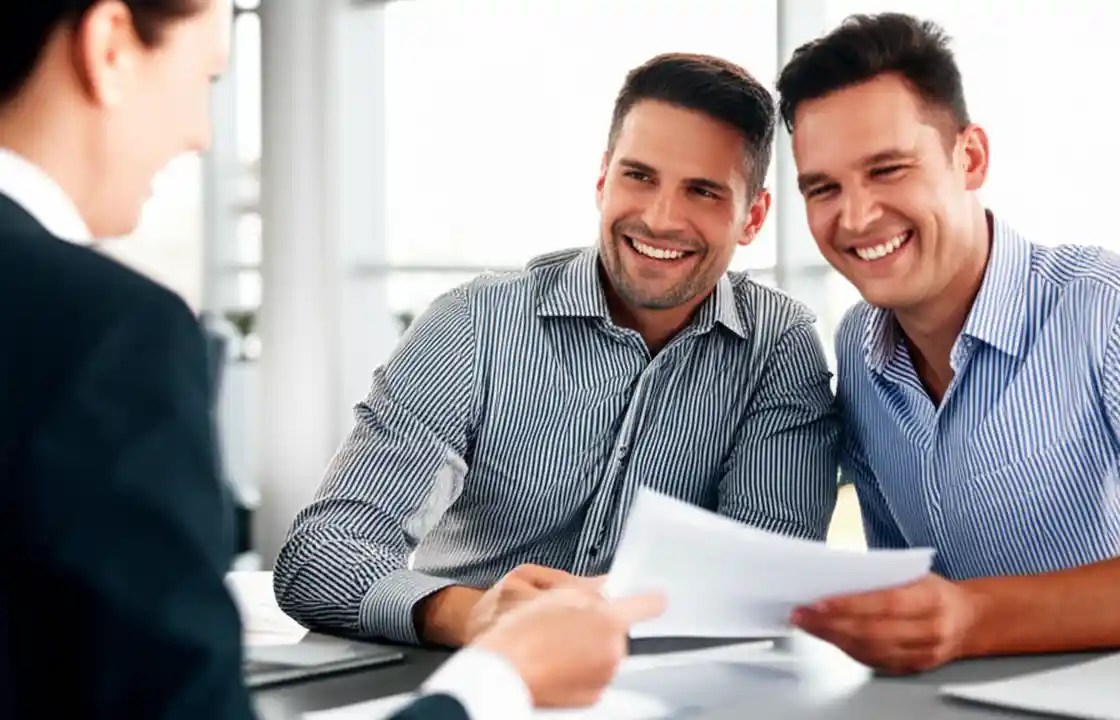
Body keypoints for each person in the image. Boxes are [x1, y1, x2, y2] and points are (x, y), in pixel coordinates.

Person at [0, 1, 662, 718]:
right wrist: (501, 680)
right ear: (111, 47)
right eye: (206, 78)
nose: (199, 134)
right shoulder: (110, 329)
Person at [274, 52, 840, 649]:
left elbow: (769, 581)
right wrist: (475, 617)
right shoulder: (475, 325)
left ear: (753, 216)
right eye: (639, 176)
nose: (659, 217)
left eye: (702, 191)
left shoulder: (778, 347)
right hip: (467, 684)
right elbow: (319, 558)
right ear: (602, 180)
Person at [777, 12, 1120, 674]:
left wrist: (969, 617)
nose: (856, 216)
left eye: (889, 170)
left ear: (971, 157)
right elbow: (908, 589)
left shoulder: (1118, 308)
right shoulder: (859, 351)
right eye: (823, 188)